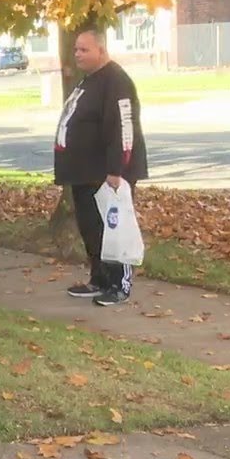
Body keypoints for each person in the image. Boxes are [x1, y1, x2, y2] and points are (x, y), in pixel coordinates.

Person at [53, 27, 148, 306]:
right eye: (76, 49)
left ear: (102, 50)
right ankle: (99, 279)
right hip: (85, 174)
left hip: (108, 175)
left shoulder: (116, 81)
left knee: (113, 229)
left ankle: (120, 284)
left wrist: (116, 170)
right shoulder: (89, 80)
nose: (78, 54)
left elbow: (122, 127)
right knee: (92, 229)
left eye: (85, 49)